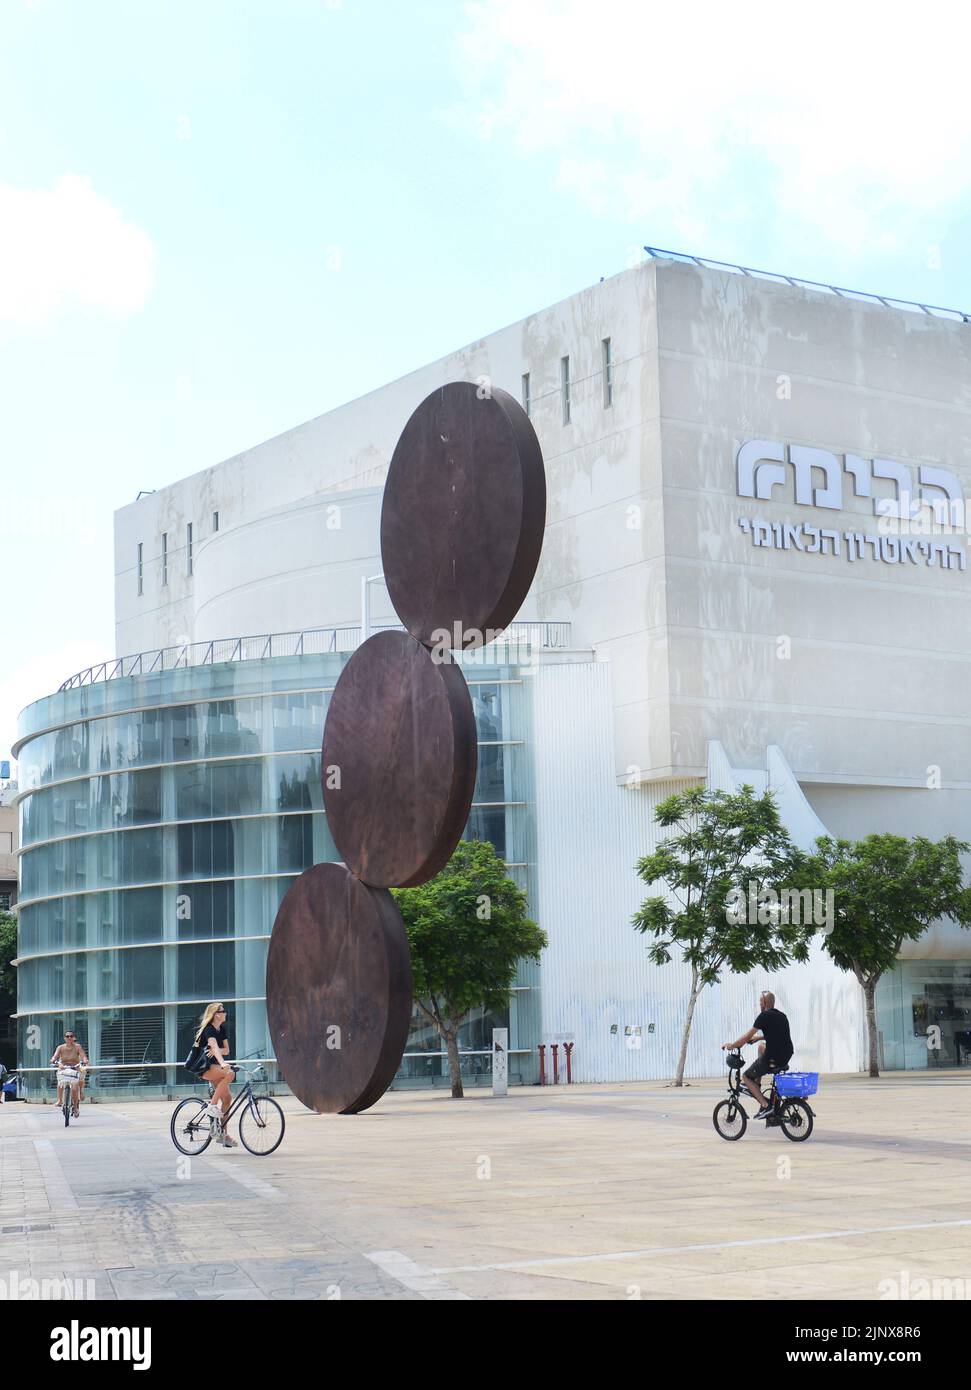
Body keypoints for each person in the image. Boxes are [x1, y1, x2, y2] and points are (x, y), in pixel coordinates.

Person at [722, 990, 794, 1120]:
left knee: (745, 1077)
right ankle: (757, 1085)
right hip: (786, 1055)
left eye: (760, 1002)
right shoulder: (782, 1016)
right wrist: (759, 1038)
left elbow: (746, 1037)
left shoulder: (763, 1016)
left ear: (765, 1003)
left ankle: (766, 1105)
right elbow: (777, 1035)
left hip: (773, 1057)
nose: (759, 1005)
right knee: (762, 1047)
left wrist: (732, 1045)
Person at [192, 1003, 238, 1147]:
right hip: (204, 1068)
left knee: (227, 1099)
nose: (225, 1013)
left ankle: (222, 1135)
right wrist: (222, 1060)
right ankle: (212, 1106)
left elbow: (226, 1050)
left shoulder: (221, 1029)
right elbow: (217, 1049)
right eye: (223, 1011)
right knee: (229, 1073)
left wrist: (217, 1050)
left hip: (215, 1068)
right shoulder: (209, 1029)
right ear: (216, 1014)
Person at [51, 1031, 89, 1118]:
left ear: (73, 1037)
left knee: (75, 1087)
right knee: (60, 1081)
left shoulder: (77, 1047)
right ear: (64, 1038)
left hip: (75, 1067)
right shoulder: (60, 1047)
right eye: (67, 1036)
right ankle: (60, 1100)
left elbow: (83, 1056)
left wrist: (85, 1060)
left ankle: (75, 1107)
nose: (69, 1038)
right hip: (64, 1067)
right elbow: (55, 1056)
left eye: (71, 1036)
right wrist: (54, 1060)